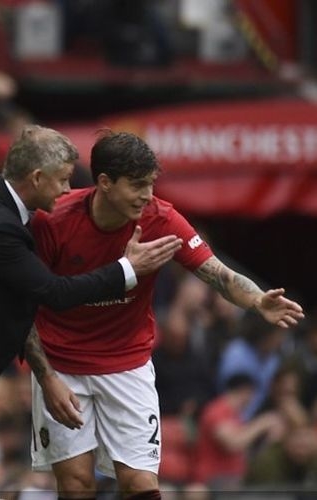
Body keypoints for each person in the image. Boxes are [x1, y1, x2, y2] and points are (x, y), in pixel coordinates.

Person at [0, 124, 184, 499]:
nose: (67, 189)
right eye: (62, 179)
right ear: (37, 177)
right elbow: (53, 292)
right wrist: (126, 270)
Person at [24, 130, 304, 499]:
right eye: (137, 185)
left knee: (140, 484)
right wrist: (46, 377)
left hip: (128, 366)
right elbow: (23, 303)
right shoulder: (53, 220)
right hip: (62, 366)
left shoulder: (162, 219)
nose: (147, 195)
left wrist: (256, 300)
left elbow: (219, 274)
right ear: (104, 182)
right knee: (77, 485)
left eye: (151, 184)